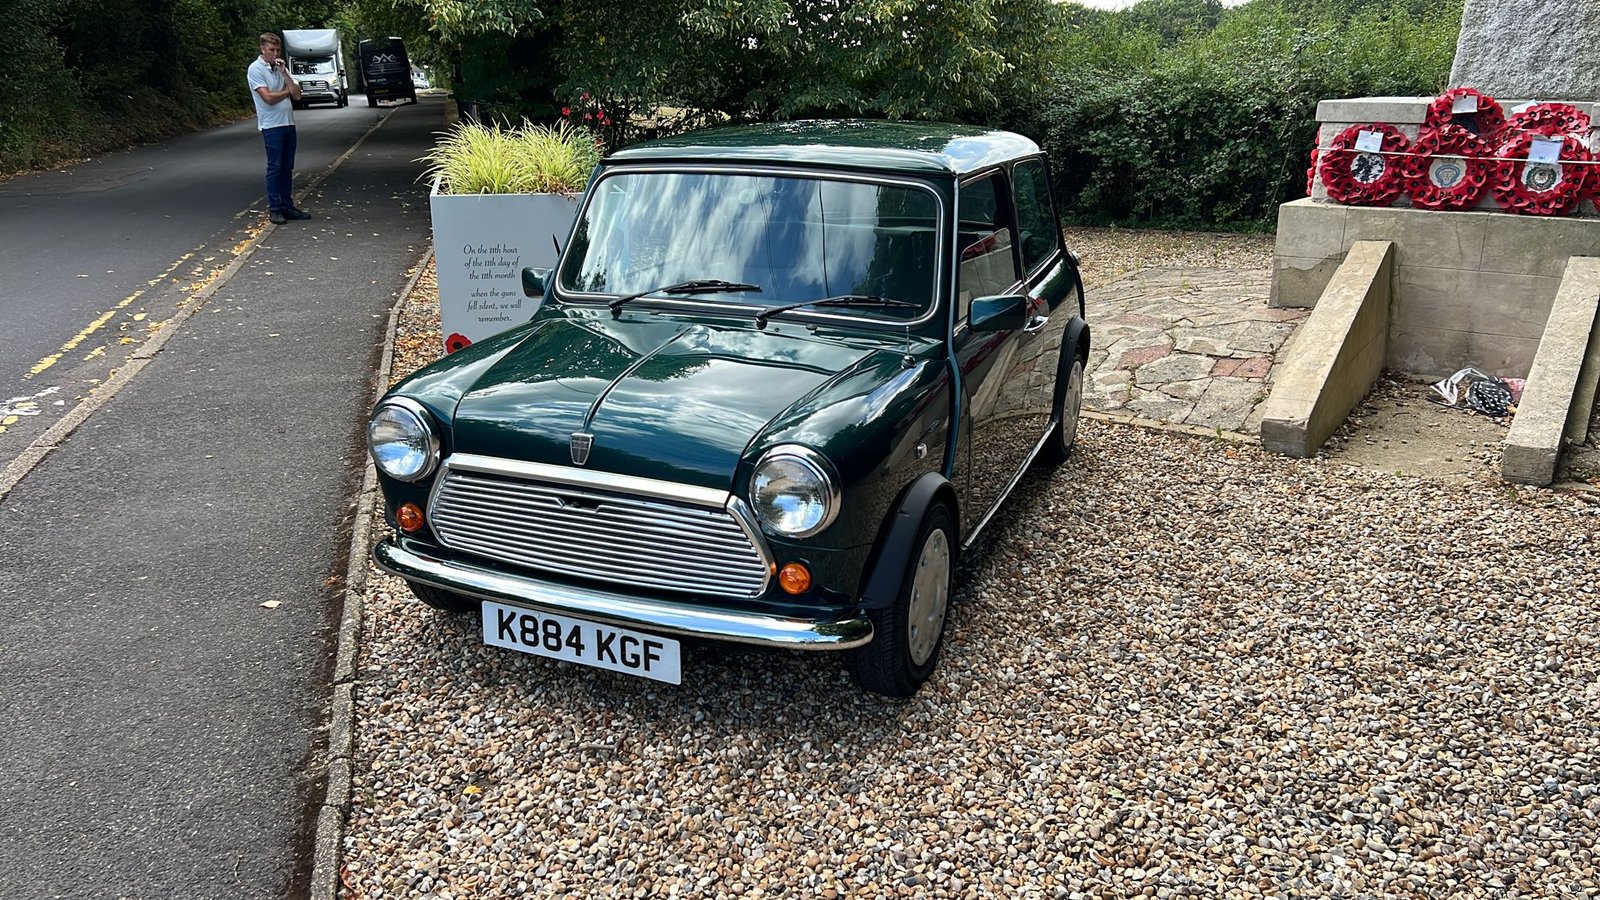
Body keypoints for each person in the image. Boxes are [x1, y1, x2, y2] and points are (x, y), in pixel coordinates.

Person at [248, 33, 312, 224]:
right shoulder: (255, 69)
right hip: (271, 125)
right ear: (262, 49)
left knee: (287, 167)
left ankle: (287, 205)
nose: (275, 54)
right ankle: (275, 208)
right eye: (271, 50)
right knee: (275, 167)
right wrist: (286, 93)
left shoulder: (279, 69)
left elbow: (298, 95)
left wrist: (285, 73)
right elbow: (267, 98)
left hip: (288, 123)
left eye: (277, 50)